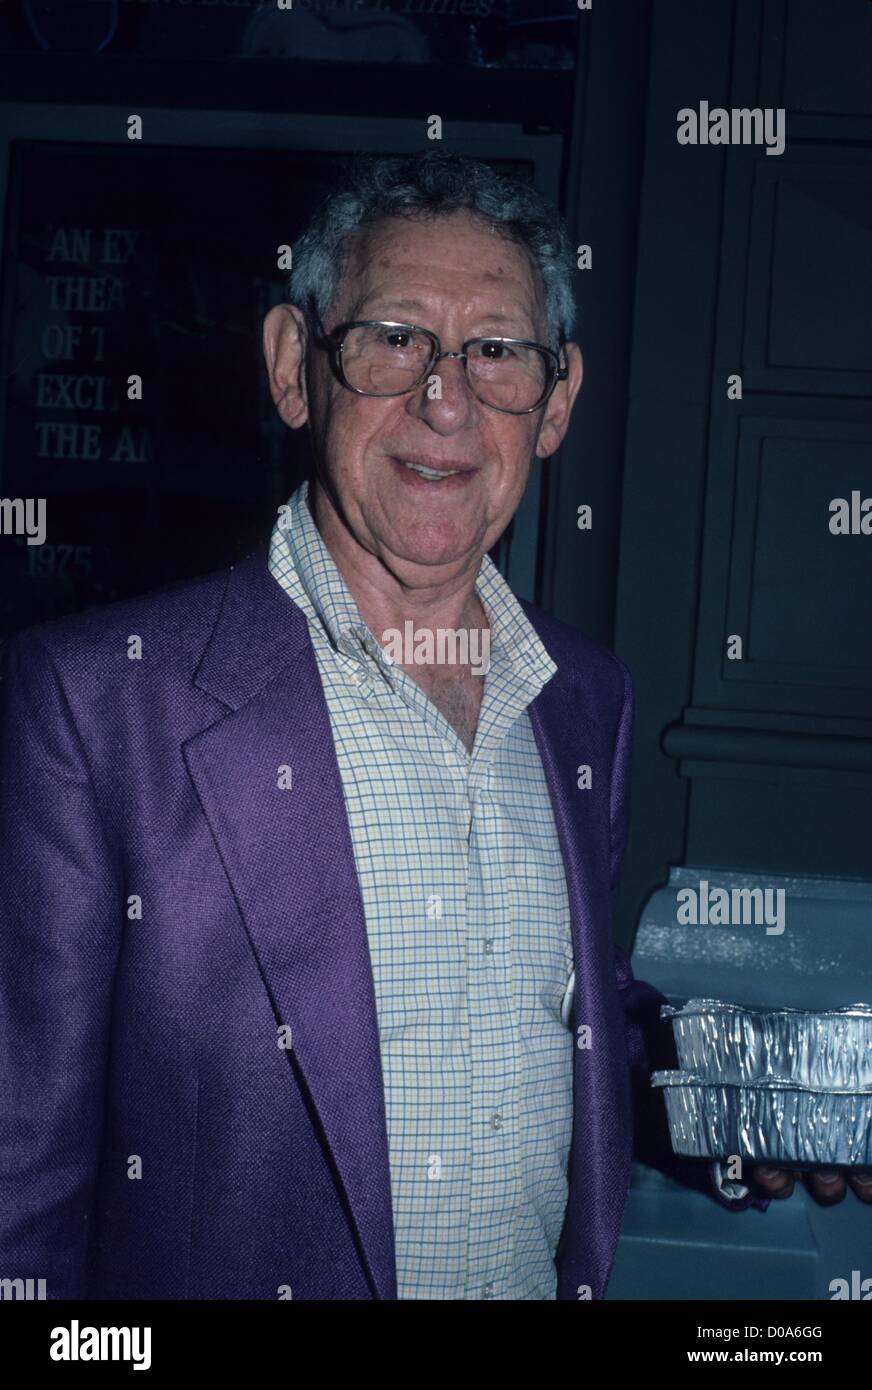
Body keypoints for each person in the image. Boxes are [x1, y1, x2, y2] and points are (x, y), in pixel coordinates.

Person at [1, 152, 865, 1303]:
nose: (444, 399)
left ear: (554, 403)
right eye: (394, 336)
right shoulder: (93, 702)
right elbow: (20, 1184)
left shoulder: (581, 698)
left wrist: (737, 1102)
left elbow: (557, 1015)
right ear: (294, 368)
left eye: (496, 351)